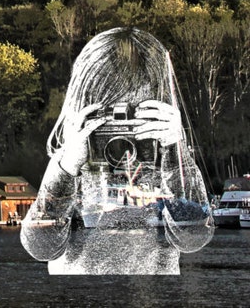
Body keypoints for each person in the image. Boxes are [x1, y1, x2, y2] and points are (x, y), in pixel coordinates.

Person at [21, 26, 213, 275]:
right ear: (82, 104)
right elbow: (41, 248)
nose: (121, 126)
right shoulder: (70, 161)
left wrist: (176, 154)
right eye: (108, 112)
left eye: (135, 112)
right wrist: (67, 167)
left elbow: (193, 239)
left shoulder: (166, 155)